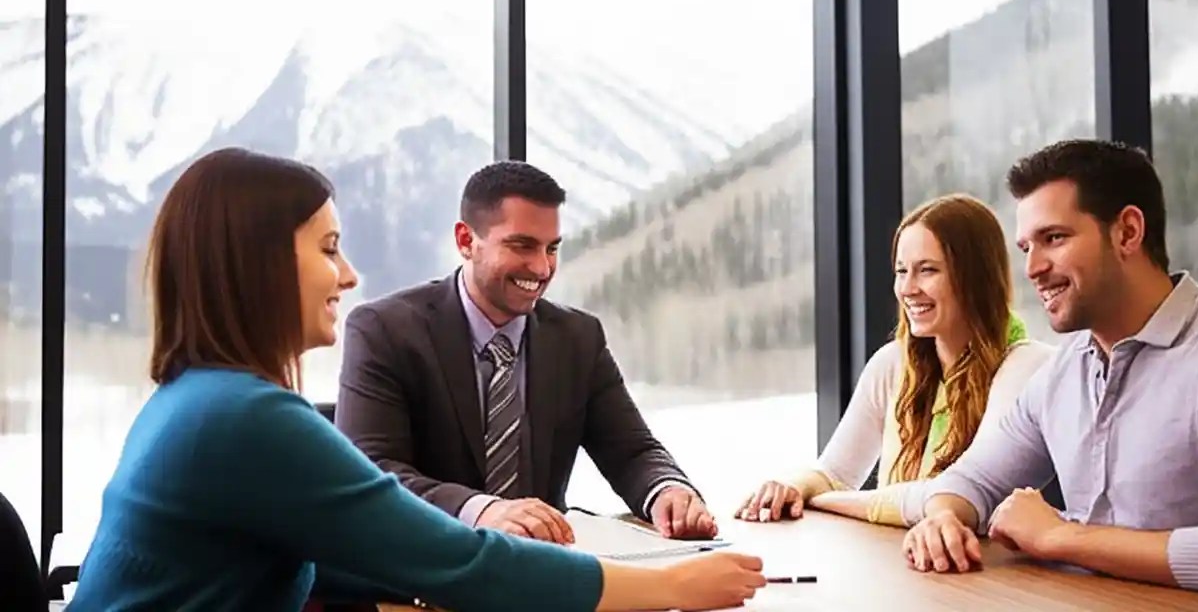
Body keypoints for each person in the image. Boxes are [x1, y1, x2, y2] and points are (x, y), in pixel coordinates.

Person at [67, 148, 765, 612]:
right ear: (258, 264)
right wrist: (673, 584)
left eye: (553, 248)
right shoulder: (247, 418)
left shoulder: (200, 400)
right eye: (329, 249)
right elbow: (455, 558)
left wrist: (666, 493)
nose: (348, 275)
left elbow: (346, 548)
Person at [902, 140, 1198, 608]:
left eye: (1054, 239)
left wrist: (1062, 538)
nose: (1033, 268)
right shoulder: (1061, 372)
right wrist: (941, 517)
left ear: (1127, 232)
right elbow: (968, 483)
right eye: (1026, 246)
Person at [336, 161, 715, 543]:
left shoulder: (578, 338)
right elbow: (371, 472)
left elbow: (632, 451)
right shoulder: (383, 331)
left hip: (545, 571)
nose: (541, 267)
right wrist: (482, 509)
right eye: (522, 246)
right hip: (427, 567)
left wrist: (667, 491)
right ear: (466, 241)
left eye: (552, 249)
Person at [736, 193, 1054, 527]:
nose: (908, 288)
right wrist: (793, 488)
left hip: (988, 574)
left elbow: (951, 498)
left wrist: (824, 500)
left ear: (976, 278)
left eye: (927, 270)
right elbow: (835, 473)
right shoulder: (892, 364)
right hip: (905, 564)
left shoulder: (1027, 366)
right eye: (902, 271)